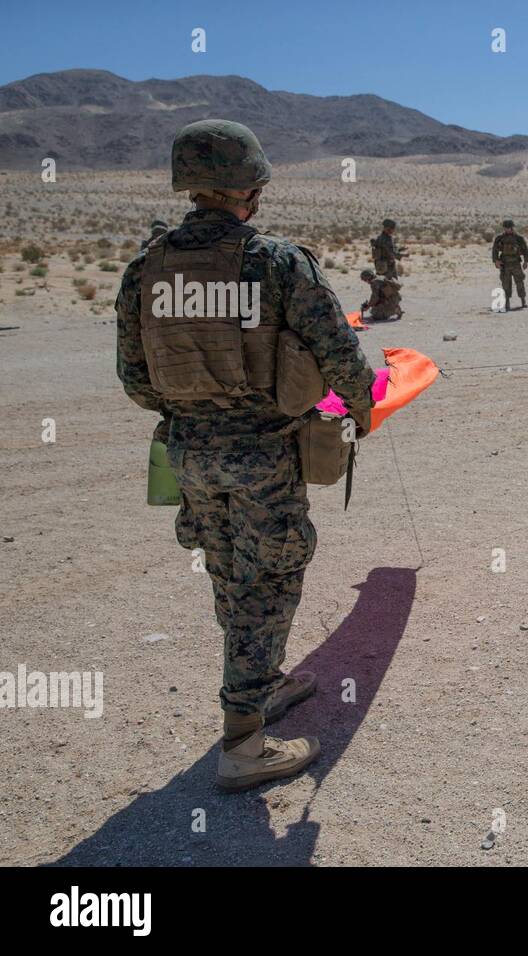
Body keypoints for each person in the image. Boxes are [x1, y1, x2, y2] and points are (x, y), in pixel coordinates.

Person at [115, 119, 376, 791]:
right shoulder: (277, 261)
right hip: (263, 455)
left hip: (187, 453)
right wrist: (359, 406)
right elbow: (339, 352)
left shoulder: (147, 267)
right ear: (250, 190)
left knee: (230, 573)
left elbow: (136, 378)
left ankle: (260, 686)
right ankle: (243, 744)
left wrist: (197, 409)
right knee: (271, 582)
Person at [491, 219, 528, 310]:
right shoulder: (499, 238)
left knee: (519, 282)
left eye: (509, 228)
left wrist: (526, 261)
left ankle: (523, 300)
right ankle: (507, 301)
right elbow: (494, 250)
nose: (507, 229)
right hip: (505, 264)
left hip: (516, 263)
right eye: (505, 228)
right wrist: (496, 261)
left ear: (512, 228)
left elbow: (525, 249)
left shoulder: (518, 238)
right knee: (506, 284)